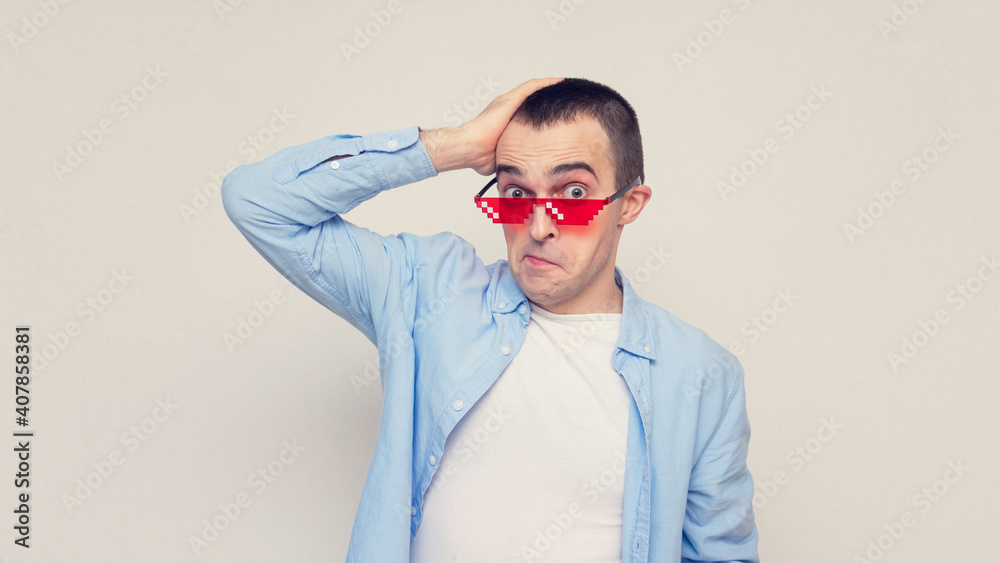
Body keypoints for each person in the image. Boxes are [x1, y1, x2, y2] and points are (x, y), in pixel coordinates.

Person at [221, 77, 759, 562]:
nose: (539, 225)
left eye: (573, 193)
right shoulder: (429, 293)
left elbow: (720, 556)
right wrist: (454, 146)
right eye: (516, 192)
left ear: (629, 204)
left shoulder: (700, 374)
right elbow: (258, 201)